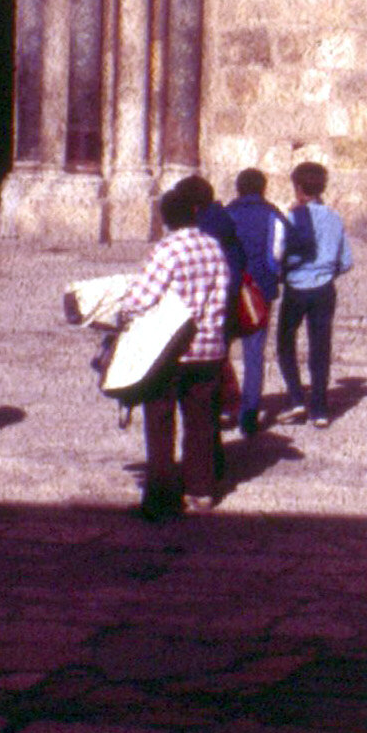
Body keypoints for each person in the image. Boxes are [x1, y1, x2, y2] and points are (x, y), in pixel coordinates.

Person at [112, 179, 234, 519]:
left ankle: (162, 497)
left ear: (165, 219)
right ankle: (201, 490)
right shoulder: (212, 247)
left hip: (169, 351)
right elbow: (223, 292)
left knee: (161, 420)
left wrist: (119, 313)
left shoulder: (167, 250)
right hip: (208, 348)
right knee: (201, 422)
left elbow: (140, 298)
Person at [277, 160, 351, 428]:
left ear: (297, 187)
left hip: (296, 287)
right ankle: (319, 408)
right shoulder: (334, 217)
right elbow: (346, 260)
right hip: (323, 289)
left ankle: (297, 397)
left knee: (285, 343)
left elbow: (280, 253)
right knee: (320, 346)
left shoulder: (292, 217)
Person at [221, 168, 289, 438]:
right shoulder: (273, 215)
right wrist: (270, 277)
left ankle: (226, 404)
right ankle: (249, 413)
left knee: (221, 349)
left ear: (237, 189)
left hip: (229, 290)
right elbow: (279, 251)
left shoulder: (226, 215)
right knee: (254, 352)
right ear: (263, 188)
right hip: (259, 292)